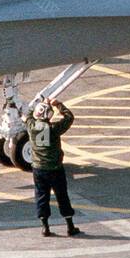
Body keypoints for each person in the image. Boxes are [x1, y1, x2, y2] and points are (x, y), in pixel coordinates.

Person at [27, 98, 79, 237]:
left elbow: (28, 115)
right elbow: (69, 117)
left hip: (39, 169)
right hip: (55, 168)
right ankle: (70, 226)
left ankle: (45, 227)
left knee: (41, 196)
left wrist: (38, 104)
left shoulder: (31, 126)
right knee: (62, 196)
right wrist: (58, 104)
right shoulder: (54, 129)